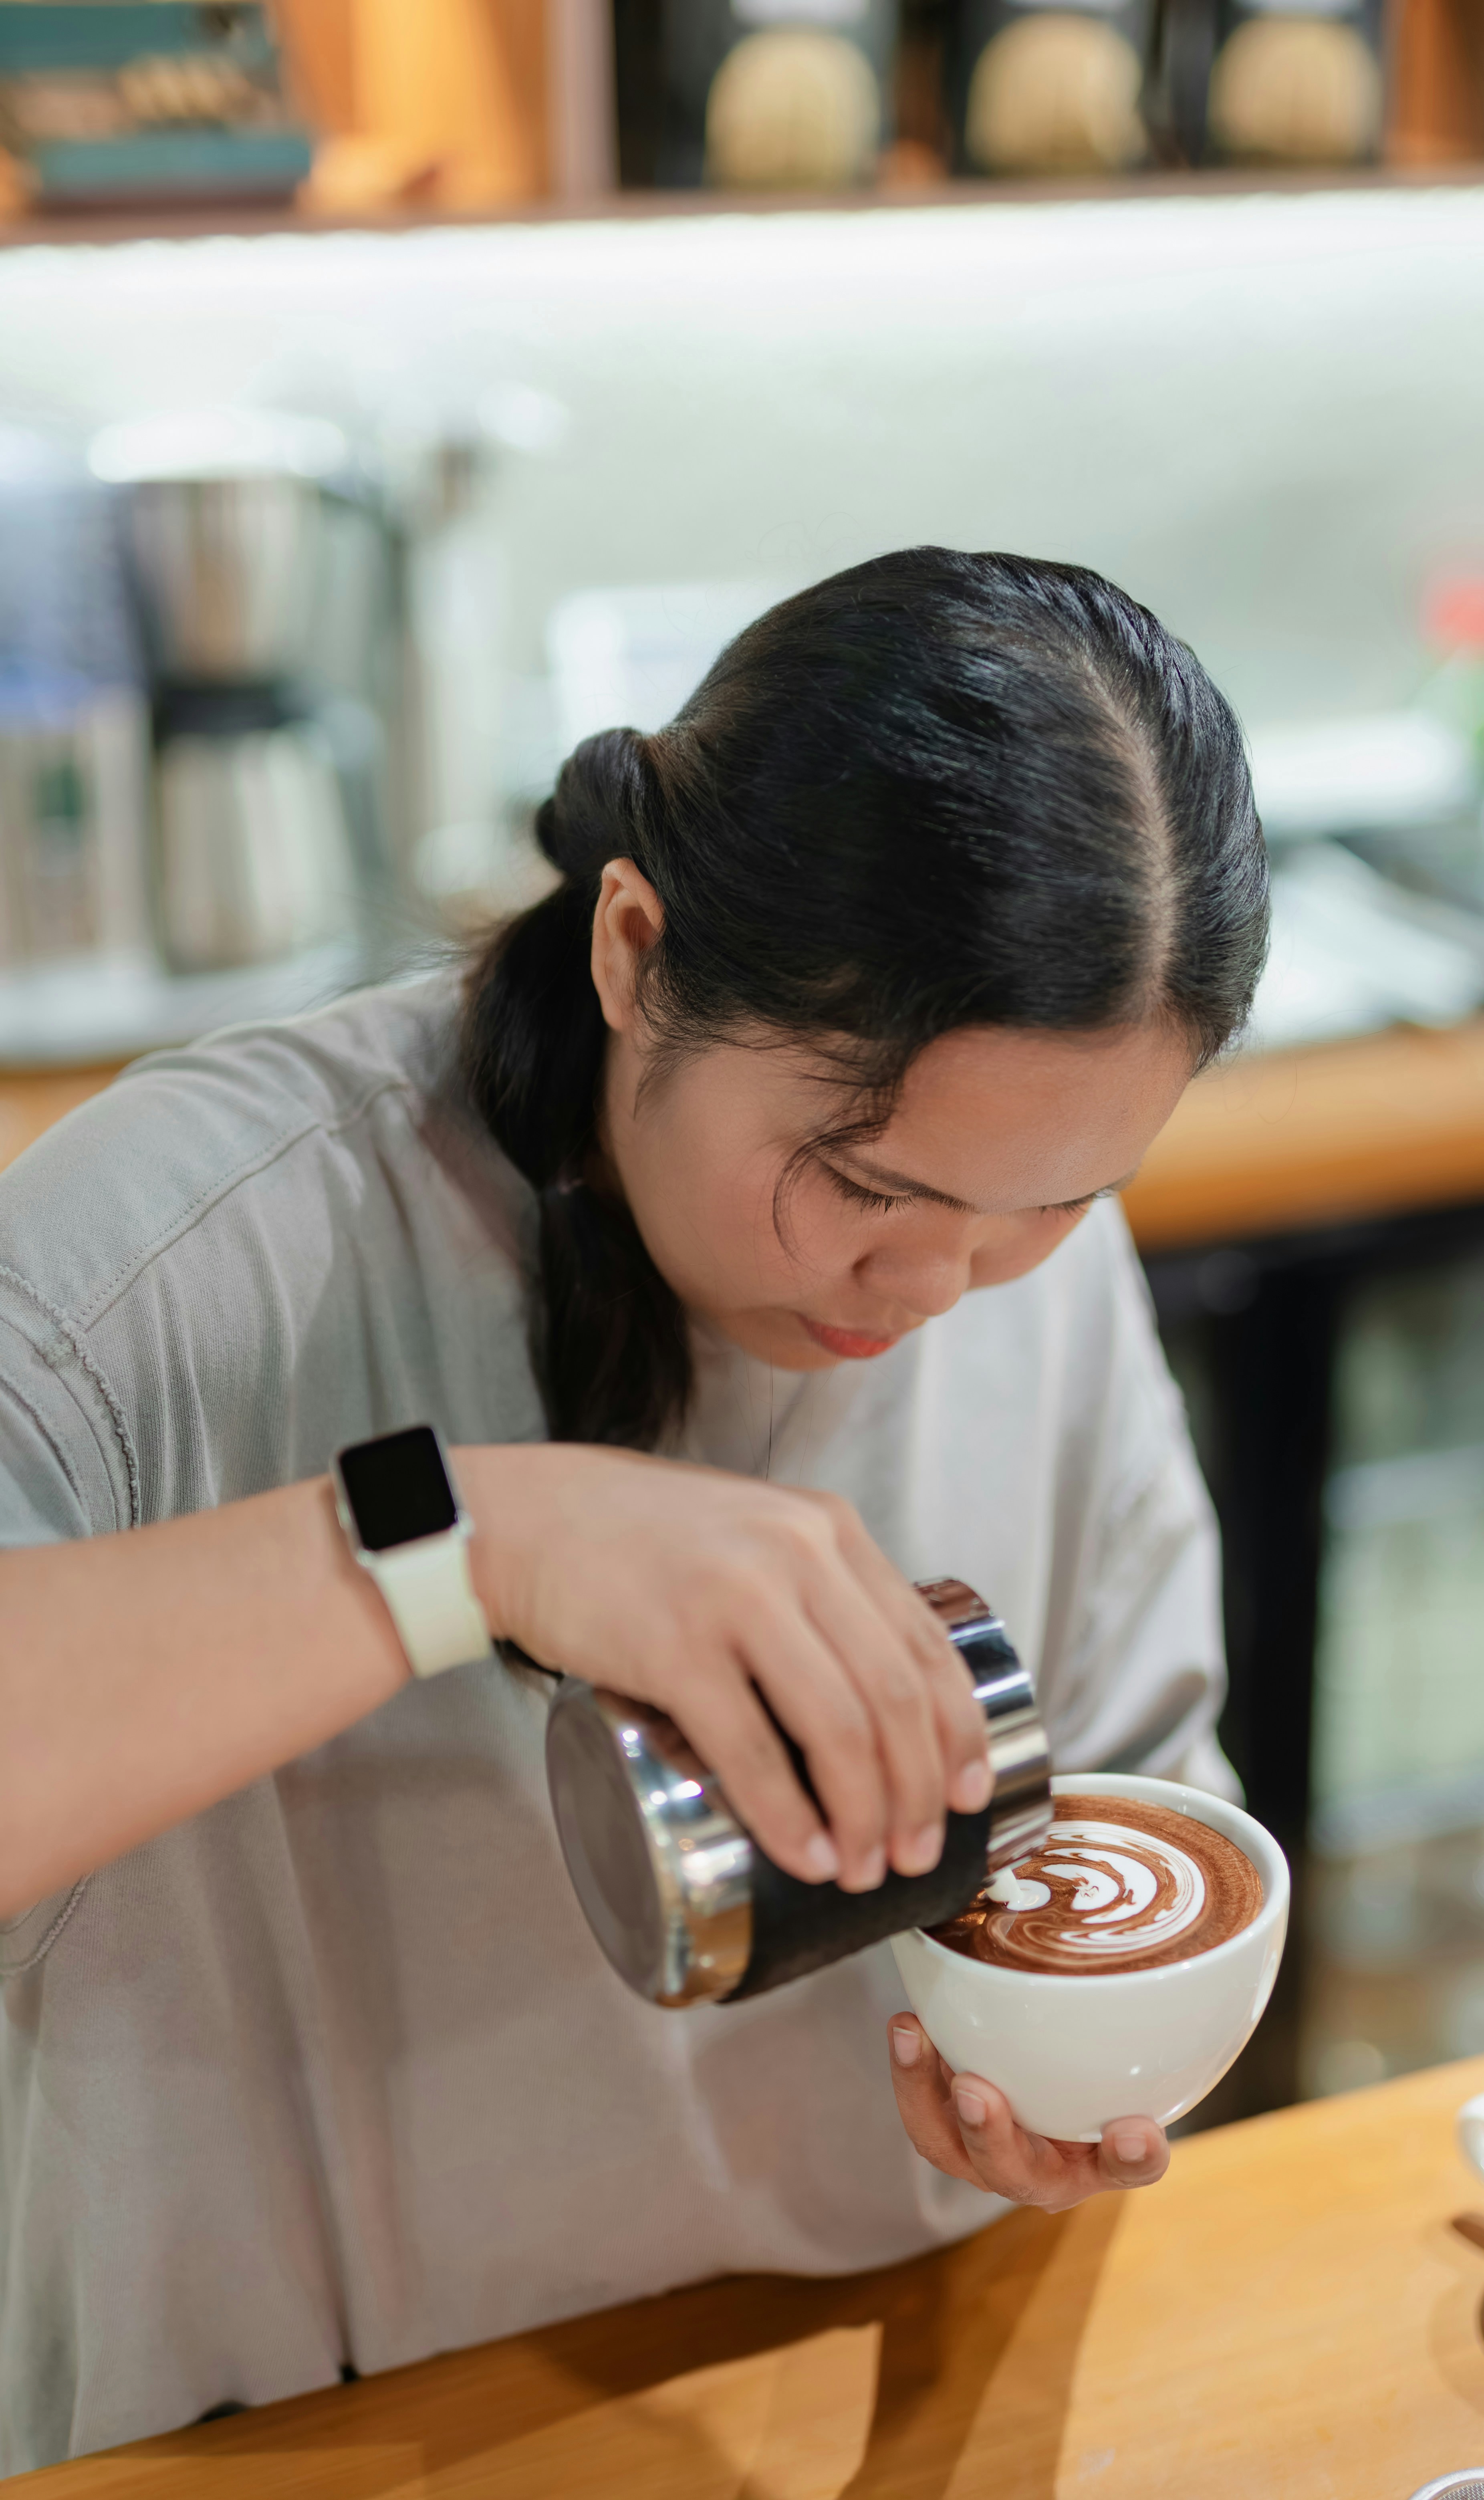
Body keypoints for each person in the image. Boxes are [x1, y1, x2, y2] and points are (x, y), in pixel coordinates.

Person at [0, 548, 1267, 2472]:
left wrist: (1057, 2097)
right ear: (628, 950)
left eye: (1044, 1211)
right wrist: (462, 1544)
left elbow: (1141, 1798)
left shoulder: (1015, 1262)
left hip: (863, 2384)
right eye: (858, 1183)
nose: (934, 1289)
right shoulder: (175, 1264)